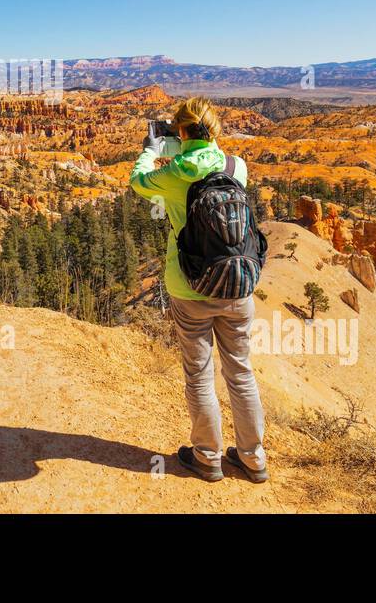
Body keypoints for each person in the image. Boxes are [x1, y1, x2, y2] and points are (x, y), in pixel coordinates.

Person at [129, 97, 268, 483]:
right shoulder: (236, 167)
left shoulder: (175, 174)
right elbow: (208, 157)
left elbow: (138, 182)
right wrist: (186, 143)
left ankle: (207, 457)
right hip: (239, 285)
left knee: (199, 375)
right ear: (215, 130)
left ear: (182, 130)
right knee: (241, 373)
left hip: (190, 287)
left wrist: (151, 150)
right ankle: (253, 458)